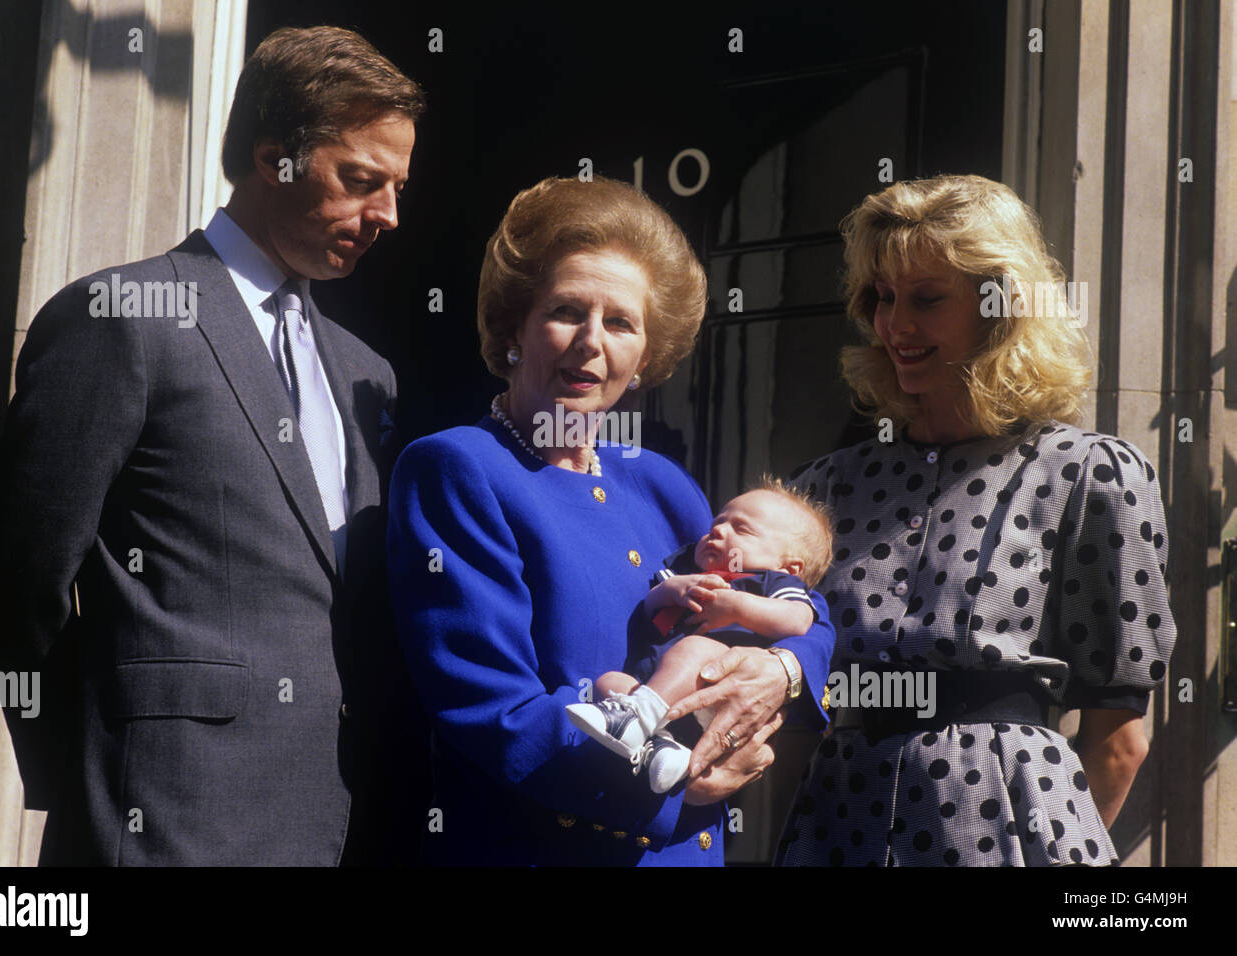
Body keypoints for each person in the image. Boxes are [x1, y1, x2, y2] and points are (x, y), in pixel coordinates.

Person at [0, 26, 425, 865]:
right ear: (273, 156)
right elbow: (14, 574)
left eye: (396, 186)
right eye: (362, 180)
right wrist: (93, 764)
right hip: (159, 818)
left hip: (335, 819)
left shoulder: (370, 377)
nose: (388, 215)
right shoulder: (124, 319)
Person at [387, 176, 836, 865]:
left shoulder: (659, 483)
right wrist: (673, 791)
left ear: (646, 357)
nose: (591, 343)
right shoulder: (457, 468)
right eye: (567, 311)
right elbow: (490, 713)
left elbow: (786, 600)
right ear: (514, 327)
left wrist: (787, 670)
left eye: (621, 323)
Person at [774, 174, 1177, 866]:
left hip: (1014, 836)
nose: (896, 325)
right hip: (836, 828)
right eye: (883, 297)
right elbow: (795, 709)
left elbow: (1119, 735)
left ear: (1001, 308)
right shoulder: (824, 487)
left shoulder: (1089, 475)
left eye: (928, 298)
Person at [567, 481, 833, 793]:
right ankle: (661, 750)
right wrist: (669, 592)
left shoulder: (770, 583)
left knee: (694, 647)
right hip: (660, 693)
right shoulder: (686, 574)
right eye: (717, 522)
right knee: (608, 684)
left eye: (741, 529)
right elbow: (649, 608)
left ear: (788, 567)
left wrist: (737, 606)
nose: (718, 531)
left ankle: (638, 718)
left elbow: (799, 620)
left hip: (720, 697)